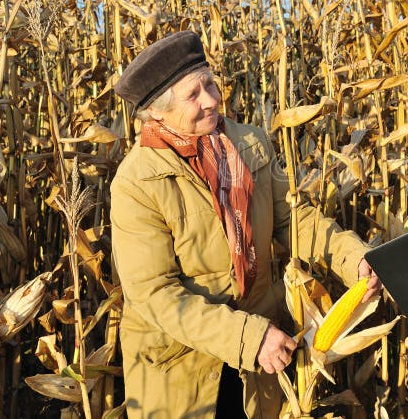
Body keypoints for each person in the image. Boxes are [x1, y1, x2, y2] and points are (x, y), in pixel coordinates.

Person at [110, 31, 380, 418]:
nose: (212, 99)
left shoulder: (249, 144)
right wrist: (247, 337)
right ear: (157, 112)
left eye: (210, 84)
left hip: (259, 362)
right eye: (193, 95)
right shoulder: (136, 183)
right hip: (182, 369)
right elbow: (154, 294)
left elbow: (291, 219)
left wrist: (353, 258)